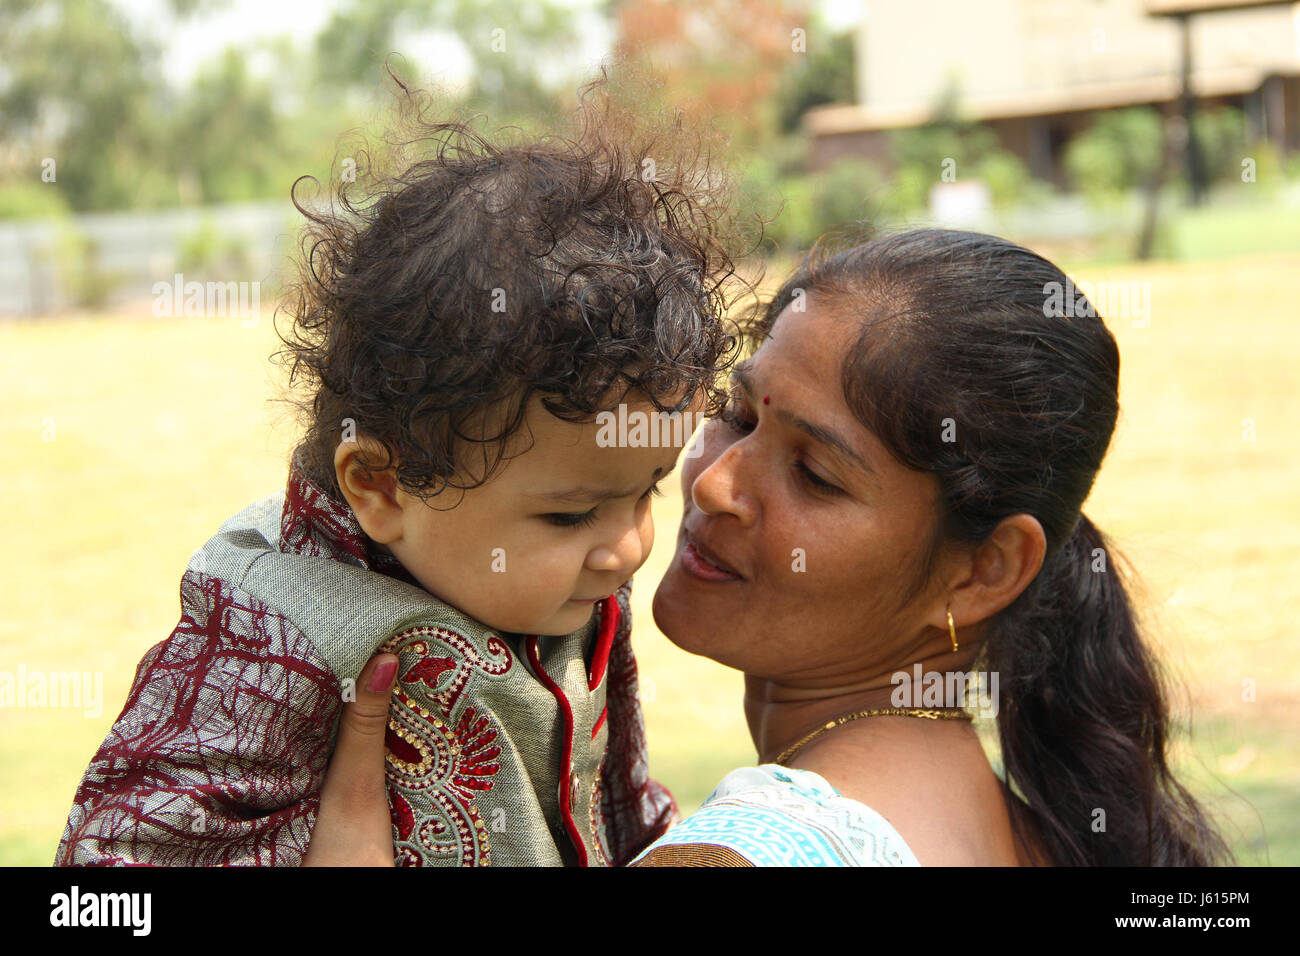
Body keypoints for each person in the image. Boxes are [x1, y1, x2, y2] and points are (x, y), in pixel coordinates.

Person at [307, 228, 1232, 867]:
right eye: (737, 414)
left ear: (985, 569)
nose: (713, 483)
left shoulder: (759, 849)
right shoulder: (1020, 828)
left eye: (817, 476)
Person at [52, 78, 744, 867]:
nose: (626, 549)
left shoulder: (571, 595)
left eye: (645, 491)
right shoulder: (279, 636)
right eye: (570, 515)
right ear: (381, 487)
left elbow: (616, 803)